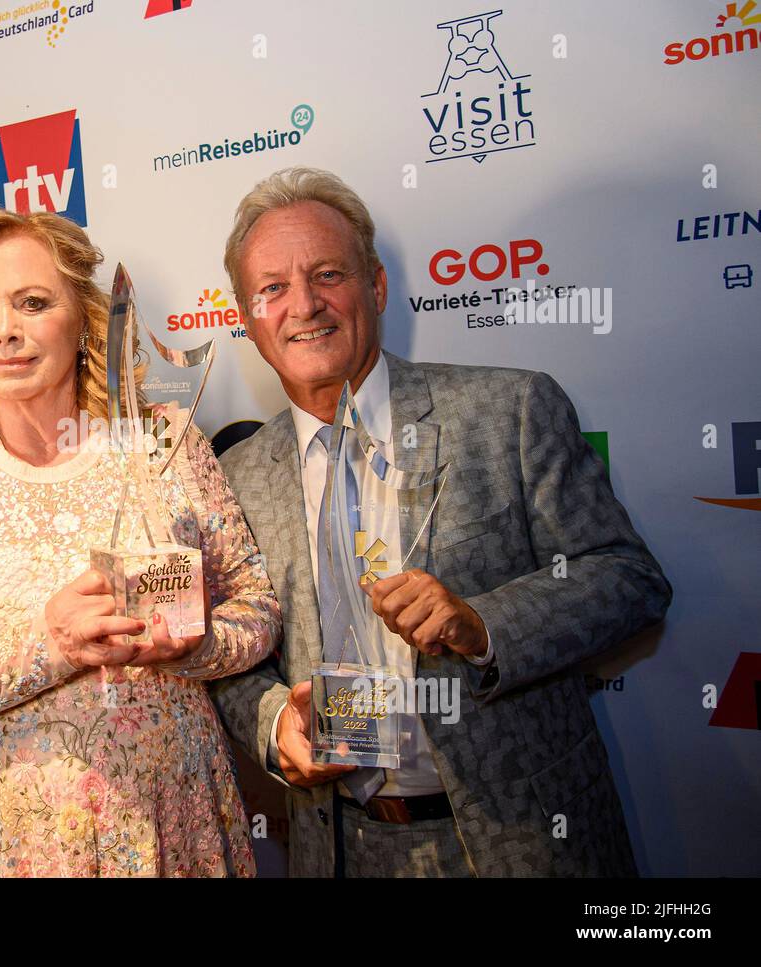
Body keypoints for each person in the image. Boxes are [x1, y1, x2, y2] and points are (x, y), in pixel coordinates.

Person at [210, 168, 672, 877]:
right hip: (341, 847)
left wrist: (481, 624)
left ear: (377, 286)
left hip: (520, 839)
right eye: (272, 287)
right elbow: (233, 653)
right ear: (248, 317)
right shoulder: (234, 477)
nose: (304, 303)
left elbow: (629, 577)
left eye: (328, 273)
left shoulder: (507, 411)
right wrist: (274, 722)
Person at [0, 208, 280, 877]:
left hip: (171, 833)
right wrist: (50, 645)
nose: (5, 331)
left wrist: (195, 645)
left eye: (32, 302)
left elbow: (255, 607)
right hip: (0, 851)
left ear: (83, 318)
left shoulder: (166, 441)